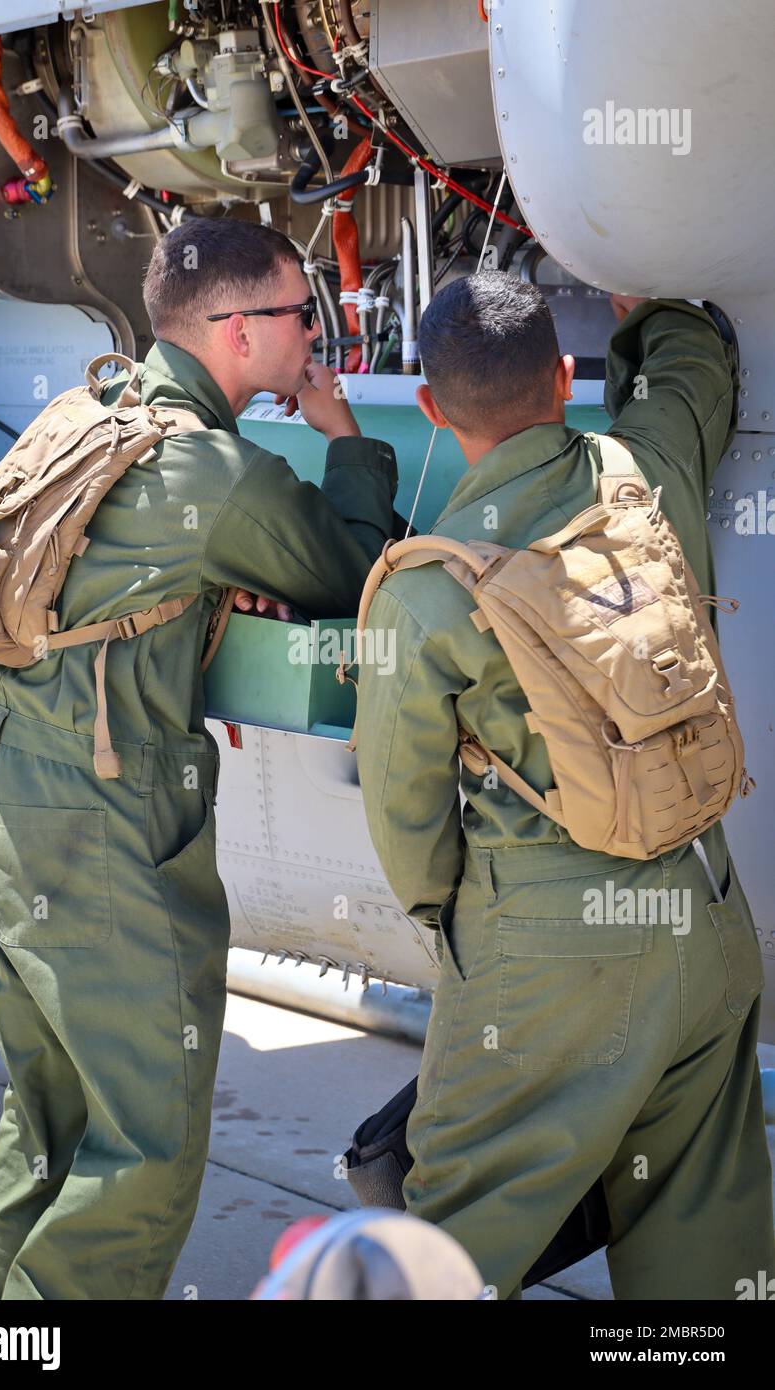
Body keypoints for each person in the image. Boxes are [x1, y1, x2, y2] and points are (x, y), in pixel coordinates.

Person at [0, 217, 398, 1299]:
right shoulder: (215, 471)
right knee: (143, 1151)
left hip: (12, 817)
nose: (312, 334)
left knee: (49, 1125)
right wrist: (343, 437)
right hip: (108, 857)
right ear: (238, 331)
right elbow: (360, 573)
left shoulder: (88, 411)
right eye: (300, 314)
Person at [354, 271, 774, 1299]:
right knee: (699, 1238)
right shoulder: (648, 474)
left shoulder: (420, 590)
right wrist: (652, 315)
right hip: (703, 915)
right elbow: (688, 372)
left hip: (542, 960)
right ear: (560, 373)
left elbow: (404, 812)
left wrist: (459, 927)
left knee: (448, 1247)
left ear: (427, 405)